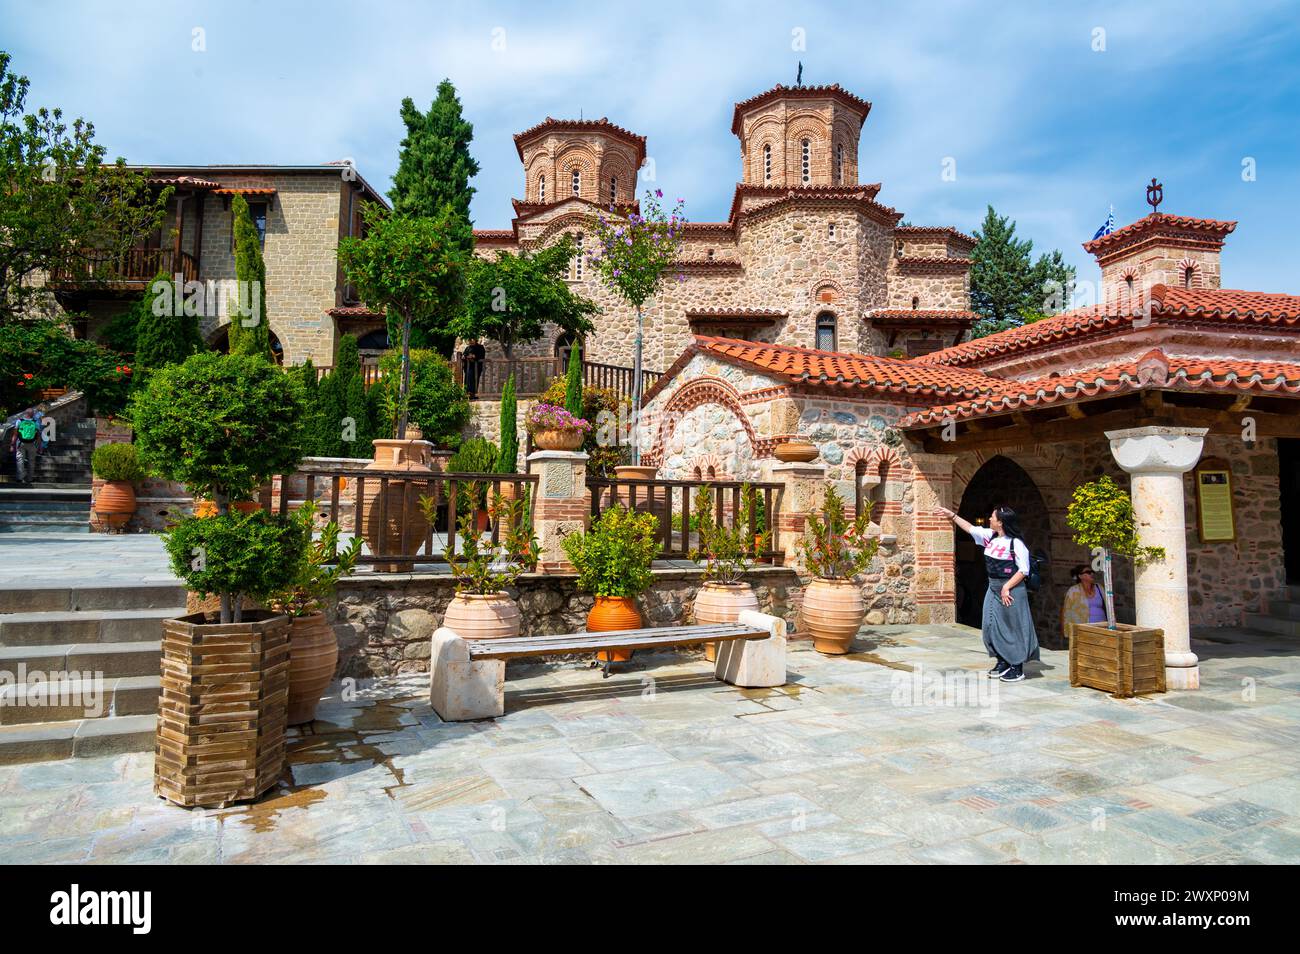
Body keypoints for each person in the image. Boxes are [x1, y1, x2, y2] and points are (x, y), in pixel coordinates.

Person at [934, 504, 1040, 682]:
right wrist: (951, 515)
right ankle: (1002, 661)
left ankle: (1017, 666)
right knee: (990, 625)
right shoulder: (990, 537)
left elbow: (1024, 570)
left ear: (1001, 522)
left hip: (1011, 589)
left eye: (993, 517)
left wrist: (1007, 587)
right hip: (993, 587)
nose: (989, 519)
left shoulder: (1016, 544)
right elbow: (969, 528)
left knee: (1012, 627)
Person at [1061, 563, 1107, 641]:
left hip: (1102, 627)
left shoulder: (1099, 588)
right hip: (1084, 629)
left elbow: (1108, 606)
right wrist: (1065, 629)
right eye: (1088, 572)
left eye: (1092, 571)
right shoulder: (1073, 591)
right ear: (1080, 576)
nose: (1091, 574)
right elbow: (1066, 611)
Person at [11, 408, 41, 485]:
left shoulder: (19, 421)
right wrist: (40, 447)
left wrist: (12, 445)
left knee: (20, 460)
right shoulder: (36, 422)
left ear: (25, 413)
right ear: (32, 414)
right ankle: (30, 478)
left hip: (21, 443)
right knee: (31, 461)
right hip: (32, 444)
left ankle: (20, 478)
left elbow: (15, 435)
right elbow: (38, 436)